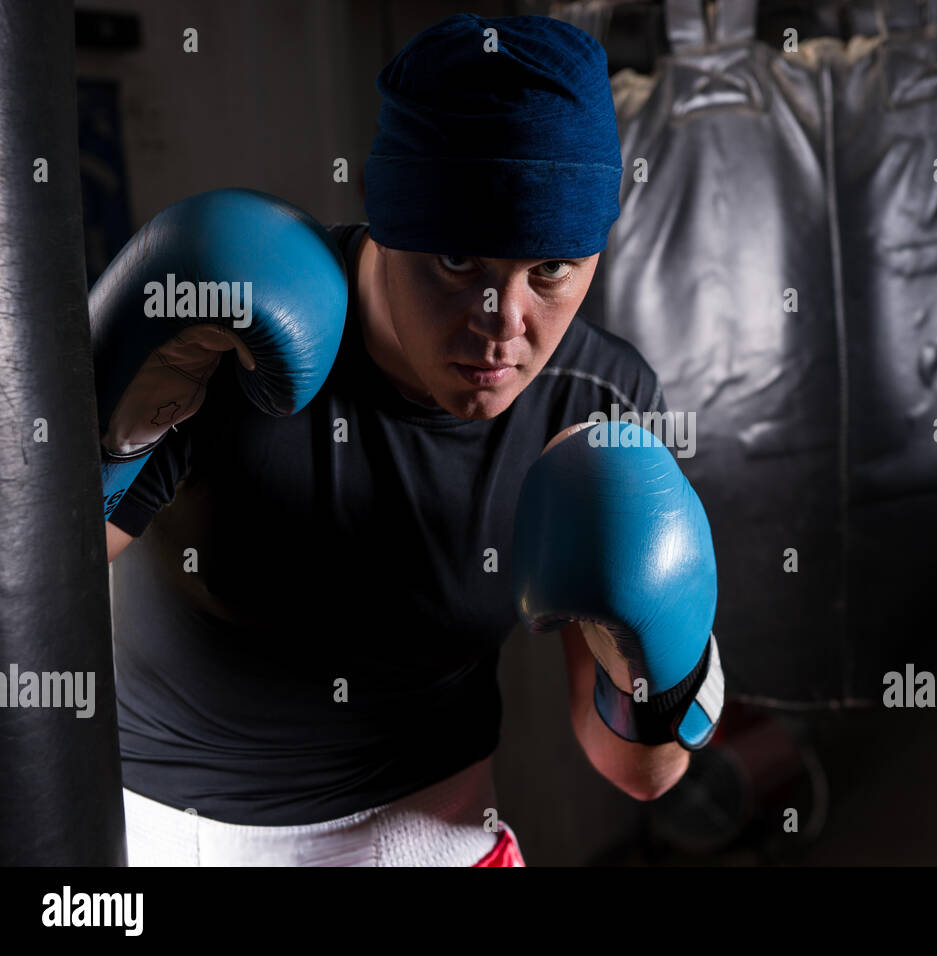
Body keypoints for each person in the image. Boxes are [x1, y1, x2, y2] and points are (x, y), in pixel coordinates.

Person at [97, 13, 721, 867]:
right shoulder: (233, 330)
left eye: (551, 272)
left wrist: (651, 644)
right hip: (172, 836)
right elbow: (25, 590)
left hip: (431, 835)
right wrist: (111, 430)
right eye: (460, 263)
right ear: (387, 220)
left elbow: (640, 775)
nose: (506, 327)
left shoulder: (599, 404)